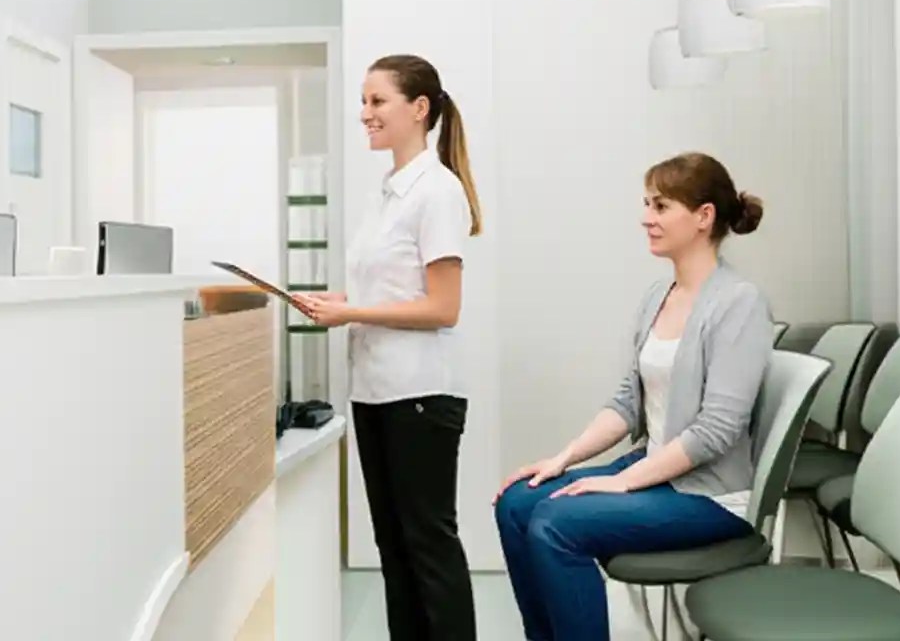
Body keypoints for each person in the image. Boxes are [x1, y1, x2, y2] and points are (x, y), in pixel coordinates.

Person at [493, 152, 773, 641]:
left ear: (704, 217)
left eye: (661, 206)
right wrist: (561, 460)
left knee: (558, 523)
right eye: (647, 204)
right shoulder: (656, 297)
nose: (646, 218)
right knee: (518, 502)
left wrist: (623, 482)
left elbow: (716, 431)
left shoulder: (738, 302)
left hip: (711, 494)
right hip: (657, 469)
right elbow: (628, 401)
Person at [298, 54, 482, 641]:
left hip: (421, 396)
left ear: (419, 108)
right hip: (376, 393)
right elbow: (394, 287)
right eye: (364, 101)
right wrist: (343, 300)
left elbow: (442, 306)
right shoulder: (389, 192)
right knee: (393, 548)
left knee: (428, 547)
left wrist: (351, 310)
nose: (365, 114)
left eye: (377, 101)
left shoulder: (438, 191)